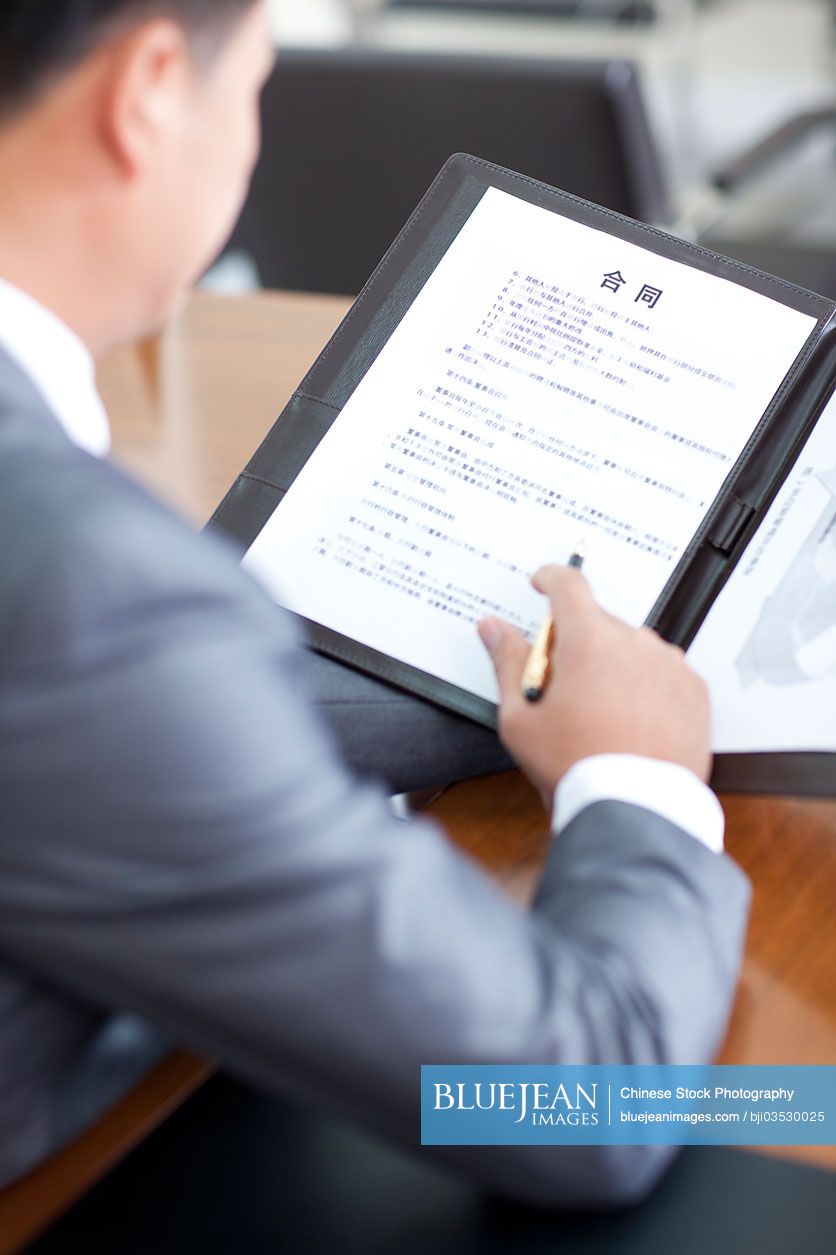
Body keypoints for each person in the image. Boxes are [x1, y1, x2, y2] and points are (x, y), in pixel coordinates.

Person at [0, 0, 749, 1207]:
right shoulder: (90, 595)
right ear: (147, 92)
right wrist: (639, 778)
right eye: (254, 83)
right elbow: (577, 1103)